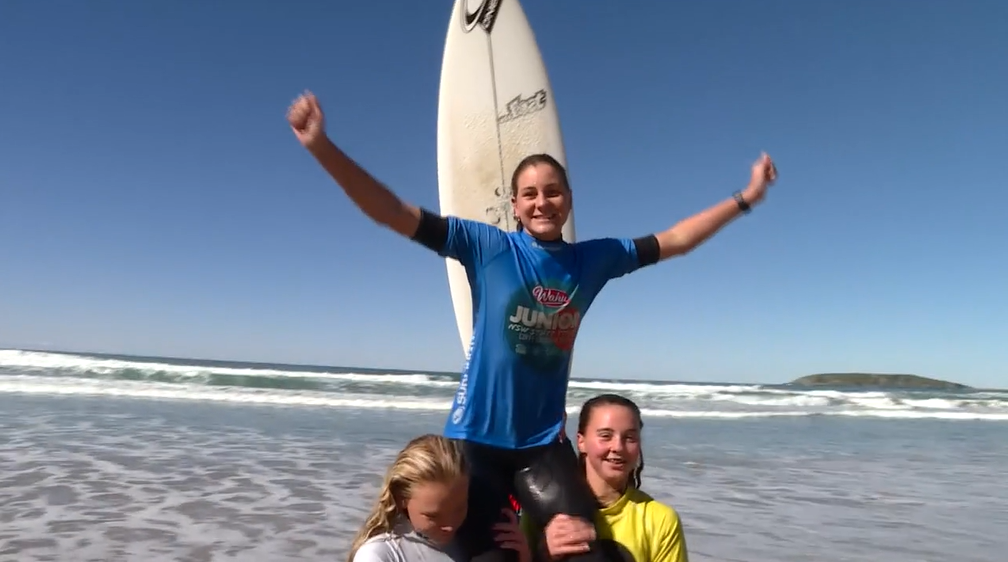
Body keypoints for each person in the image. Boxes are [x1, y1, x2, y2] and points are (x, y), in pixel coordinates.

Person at [287, 91, 777, 562]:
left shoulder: (594, 259)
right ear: (515, 205)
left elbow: (676, 240)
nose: (542, 202)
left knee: (582, 548)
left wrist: (747, 197)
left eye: (553, 192)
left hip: (542, 446)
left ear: (568, 199)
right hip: (475, 443)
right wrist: (321, 147)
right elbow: (391, 213)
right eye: (529, 194)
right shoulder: (485, 247)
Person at [523, 394, 689, 562]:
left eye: (629, 438)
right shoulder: (541, 504)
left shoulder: (660, 520)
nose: (618, 447)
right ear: (581, 442)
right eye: (605, 435)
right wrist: (544, 554)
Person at [348, 434, 530, 562]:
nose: (450, 524)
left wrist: (522, 556)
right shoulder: (381, 554)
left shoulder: (472, 539)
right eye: (433, 516)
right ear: (401, 498)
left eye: (459, 508)